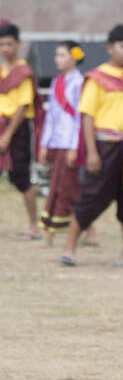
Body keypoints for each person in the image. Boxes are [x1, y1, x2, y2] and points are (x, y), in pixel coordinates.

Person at [61, 25, 123, 266]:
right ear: (109, 48)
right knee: (91, 196)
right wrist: (91, 152)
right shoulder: (97, 78)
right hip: (106, 148)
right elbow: (87, 117)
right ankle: (70, 248)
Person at [38, 40, 84, 239]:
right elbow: (51, 117)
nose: (58, 59)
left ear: (74, 57)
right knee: (59, 186)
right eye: (57, 55)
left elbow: (79, 117)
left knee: (66, 188)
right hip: (57, 142)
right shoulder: (56, 81)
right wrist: (43, 144)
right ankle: (88, 231)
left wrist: (75, 146)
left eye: (63, 55)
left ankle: (52, 234)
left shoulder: (79, 82)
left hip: (69, 143)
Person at [0, 21, 40, 237]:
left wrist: (7, 136)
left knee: (20, 176)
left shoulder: (23, 71)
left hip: (17, 129)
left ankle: (33, 225)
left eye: (9, 44)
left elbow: (23, 107)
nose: (6, 48)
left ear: (17, 44)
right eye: (2, 44)